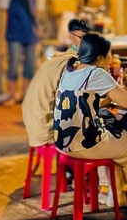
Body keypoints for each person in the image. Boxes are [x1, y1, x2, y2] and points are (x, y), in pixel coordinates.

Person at [53, 33, 127, 220]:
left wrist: (107, 99)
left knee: (118, 138)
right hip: (83, 144)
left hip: (63, 142)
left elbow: (82, 102)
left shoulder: (70, 70)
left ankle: (118, 197)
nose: (111, 59)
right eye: (110, 54)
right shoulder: (96, 73)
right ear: (100, 57)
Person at [22, 19, 90, 148]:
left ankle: (70, 168)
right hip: (45, 132)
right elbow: (78, 104)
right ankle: (76, 167)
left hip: (33, 126)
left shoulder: (58, 58)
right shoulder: (73, 64)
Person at [0, 0, 41, 105]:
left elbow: (39, 9)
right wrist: (4, 30)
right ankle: (11, 95)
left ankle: (25, 95)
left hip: (31, 32)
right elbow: (3, 6)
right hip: (14, 31)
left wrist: (38, 27)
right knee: (14, 63)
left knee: (30, 64)